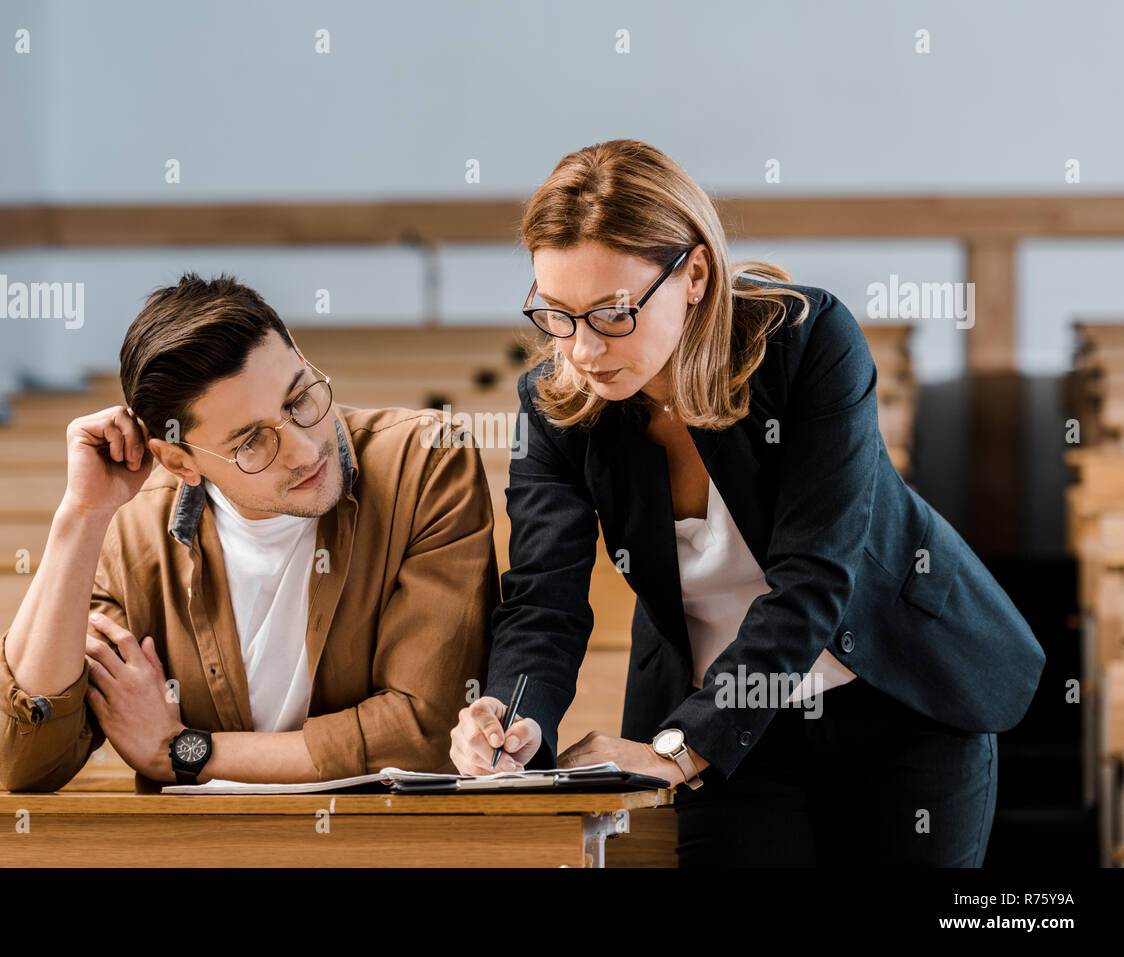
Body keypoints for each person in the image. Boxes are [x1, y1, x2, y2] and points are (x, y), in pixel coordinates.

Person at [448, 139, 1046, 866]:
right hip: (724, 721)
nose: (582, 350)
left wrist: (680, 746)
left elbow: (814, 577)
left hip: (896, 699)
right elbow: (545, 598)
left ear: (694, 273)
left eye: (610, 312)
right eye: (558, 314)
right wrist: (513, 719)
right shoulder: (555, 407)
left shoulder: (808, 341)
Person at [0, 273, 497, 792]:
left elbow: (426, 734)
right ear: (178, 461)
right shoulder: (132, 530)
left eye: (298, 399)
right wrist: (81, 515)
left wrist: (183, 751)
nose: (305, 450)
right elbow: (28, 763)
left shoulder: (425, 463)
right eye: (252, 442)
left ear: (298, 352)